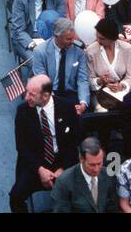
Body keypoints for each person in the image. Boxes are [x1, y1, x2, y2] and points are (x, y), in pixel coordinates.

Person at [10, 75, 81, 212]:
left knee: (82, 197)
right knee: (15, 197)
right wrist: (40, 169)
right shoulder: (22, 111)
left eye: (32, 94)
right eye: (27, 92)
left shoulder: (67, 108)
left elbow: (75, 142)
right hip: (35, 163)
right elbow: (22, 147)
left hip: (62, 162)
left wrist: (63, 169)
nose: (26, 97)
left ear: (45, 96)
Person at [29, 17, 90, 113]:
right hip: (49, 92)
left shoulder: (79, 52)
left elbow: (82, 79)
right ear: (56, 37)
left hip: (70, 93)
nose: (72, 41)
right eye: (68, 39)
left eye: (73, 38)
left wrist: (83, 102)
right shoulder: (40, 52)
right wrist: (56, 103)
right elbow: (43, 83)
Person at [51, 137, 115, 213]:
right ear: (81, 159)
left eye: (99, 163)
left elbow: (112, 207)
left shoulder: (108, 175)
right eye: (92, 165)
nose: (96, 169)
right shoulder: (64, 182)